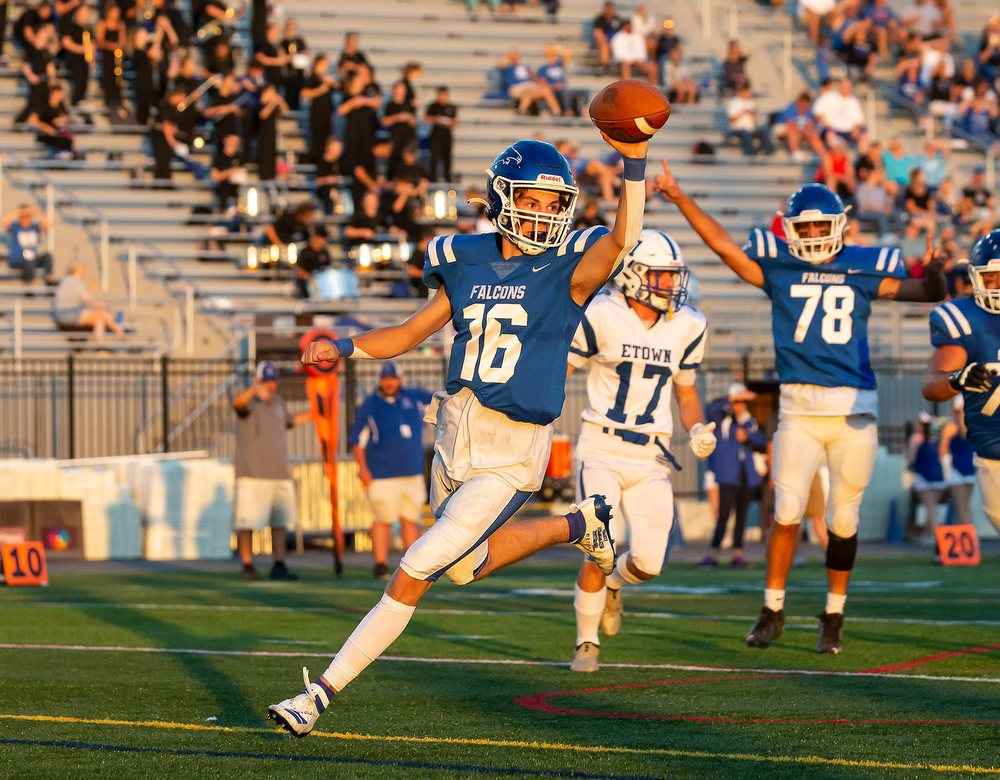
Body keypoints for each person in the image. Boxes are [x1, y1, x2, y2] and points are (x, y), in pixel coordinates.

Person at [268, 131, 649, 735]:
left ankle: (318, 696)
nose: (544, 214)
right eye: (532, 199)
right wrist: (343, 346)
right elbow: (409, 332)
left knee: (417, 564)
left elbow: (624, 237)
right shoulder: (462, 256)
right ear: (502, 198)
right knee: (464, 567)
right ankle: (578, 526)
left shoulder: (570, 267)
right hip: (454, 433)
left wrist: (634, 160)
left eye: (555, 203)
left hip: (513, 446)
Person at [655, 164, 947, 655]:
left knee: (844, 519)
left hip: (854, 410)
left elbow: (927, 292)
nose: (812, 235)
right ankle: (772, 609)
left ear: (838, 226)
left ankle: (833, 614)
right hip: (799, 407)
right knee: (787, 509)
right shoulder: (780, 266)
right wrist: (681, 197)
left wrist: (935, 272)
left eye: (819, 226)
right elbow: (726, 249)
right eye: (804, 227)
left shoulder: (861, 266)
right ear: (790, 228)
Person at [567, 230, 717, 672]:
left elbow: (686, 392)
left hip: (652, 455)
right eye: (661, 275)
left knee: (650, 563)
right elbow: (563, 368)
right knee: (598, 545)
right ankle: (586, 642)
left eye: (674, 275)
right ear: (632, 275)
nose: (671, 284)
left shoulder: (689, 323)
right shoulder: (602, 313)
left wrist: (697, 427)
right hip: (602, 446)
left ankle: (615, 585)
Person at [923, 230, 1000, 536]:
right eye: (990, 278)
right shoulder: (966, 318)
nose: (997, 285)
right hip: (994, 453)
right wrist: (959, 378)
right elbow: (932, 386)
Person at [349, 361, 433, 579]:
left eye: (392, 379)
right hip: (382, 473)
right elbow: (357, 440)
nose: (389, 383)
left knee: (410, 519)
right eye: (385, 379)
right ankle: (380, 564)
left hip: (412, 471)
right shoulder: (370, 404)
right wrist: (363, 468)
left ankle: (414, 567)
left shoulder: (414, 397)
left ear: (400, 379)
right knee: (383, 518)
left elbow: (442, 400)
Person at [231, 360, 312, 582]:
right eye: (266, 381)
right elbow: (237, 403)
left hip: (278, 473)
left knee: (279, 521)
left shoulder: (279, 402)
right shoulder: (249, 402)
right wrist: (253, 390)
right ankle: (247, 564)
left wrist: (314, 413)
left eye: (273, 381)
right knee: (247, 522)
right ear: (257, 381)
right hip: (252, 473)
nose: (270, 385)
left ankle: (279, 563)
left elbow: (290, 421)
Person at [700, 383, 766, 569]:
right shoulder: (721, 418)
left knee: (741, 516)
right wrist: (733, 398)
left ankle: (738, 554)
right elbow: (710, 409)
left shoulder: (748, 420)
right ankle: (713, 552)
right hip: (728, 474)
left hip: (746, 474)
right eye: (738, 401)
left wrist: (747, 435)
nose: (740, 405)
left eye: (743, 402)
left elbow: (760, 440)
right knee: (723, 515)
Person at [52, 261, 124, 337]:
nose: (85, 272)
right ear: (78, 269)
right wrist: (102, 305)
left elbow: (86, 301)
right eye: (84, 269)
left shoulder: (68, 280)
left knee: (99, 320)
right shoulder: (74, 281)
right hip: (68, 314)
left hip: (67, 313)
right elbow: (88, 301)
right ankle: (120, 333)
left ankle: (100, 342)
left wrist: (91, 287)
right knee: (104, 315)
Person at [939, 395, 976, 526]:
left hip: (956, 470)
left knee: (960, 508)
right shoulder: (973, 426)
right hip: (970, 469)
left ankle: (969, 536)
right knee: (965, 506)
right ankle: (969, 534)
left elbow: (942, 451)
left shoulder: (950, 428)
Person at [2, 204, 55, 284]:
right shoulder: (16, 226)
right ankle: (27, 284)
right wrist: (19, 212)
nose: (27, 218)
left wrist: (36, 212)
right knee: (29, 262)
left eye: (28, 216)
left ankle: (49, 279)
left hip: (32, 259)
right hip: (18, 260)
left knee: (47, 256)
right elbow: (5, 222)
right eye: (25, 216)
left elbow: (48, 224)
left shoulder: (34, 227)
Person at [301, 54, 336, 165]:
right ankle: (315, 161)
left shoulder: (325, 78)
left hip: (327, 113)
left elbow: (339, 86)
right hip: (317, 113)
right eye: (325, 63)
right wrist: (320, 90)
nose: (327, 65)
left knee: (326, 139)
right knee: (317, 139)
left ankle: (323, 161)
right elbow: (304, 93)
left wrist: (330, 82)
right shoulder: (312, 77)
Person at [726, 83, 774, 157]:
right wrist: (743, 112)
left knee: (763, 131)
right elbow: (732, 119)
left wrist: (753, 117)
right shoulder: (734, 102)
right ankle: (750, 153)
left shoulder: (751, 103)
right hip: (737, 129)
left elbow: (754, 120)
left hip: (750, 129)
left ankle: (768, 151)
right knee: (746, 133)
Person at [426, 86, 457, 183]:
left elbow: (454, 122)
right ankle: (433, 179)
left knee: (447, 158)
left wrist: (447, 122)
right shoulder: (433, 106)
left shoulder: (451, 107)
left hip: (446, 135)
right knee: (434, 158)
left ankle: (447, 179)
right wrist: (436, 119)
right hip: (435, 135)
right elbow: (426, 118)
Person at [295, 225, 332, 299]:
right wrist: (311, 278)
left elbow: (328, 269)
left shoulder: (325, 253)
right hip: (309, 282)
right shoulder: (305, 252)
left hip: (322, 282)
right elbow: (300, 271)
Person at [210, 133, 245, 210]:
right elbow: (214, 176)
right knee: (223, 190)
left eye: (237, 142)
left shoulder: (240, 158)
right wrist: (229, 173)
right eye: (232, 141)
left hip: (237, 189)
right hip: (223, 189)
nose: (235, 144)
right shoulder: (219, 158)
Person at [592, 2, 624, 70]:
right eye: (608, 9)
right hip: (603, 40)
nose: (609, 10)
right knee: (605, 44)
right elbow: (597, 33)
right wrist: (607, 39)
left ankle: (620, 64)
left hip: (616, 40)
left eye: (611, 9)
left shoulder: (618, 19)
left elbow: (622, 32)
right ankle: (605, 66)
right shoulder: (599, 19)